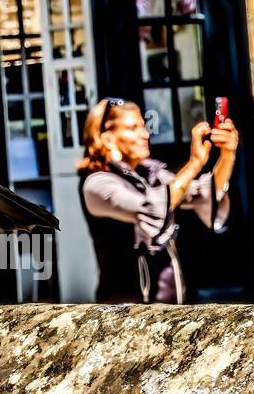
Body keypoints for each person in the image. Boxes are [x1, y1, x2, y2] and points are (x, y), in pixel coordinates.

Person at [79, 98, 238, 304]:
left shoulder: (152, 176)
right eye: (133, 128)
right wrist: (195, 163)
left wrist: (227, 154)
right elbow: (154, 208)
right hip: (125, 313)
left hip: (168, 306)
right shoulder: (97, 184)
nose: (145, 135)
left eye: (143, 127)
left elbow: (202, 193)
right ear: (107, 139)